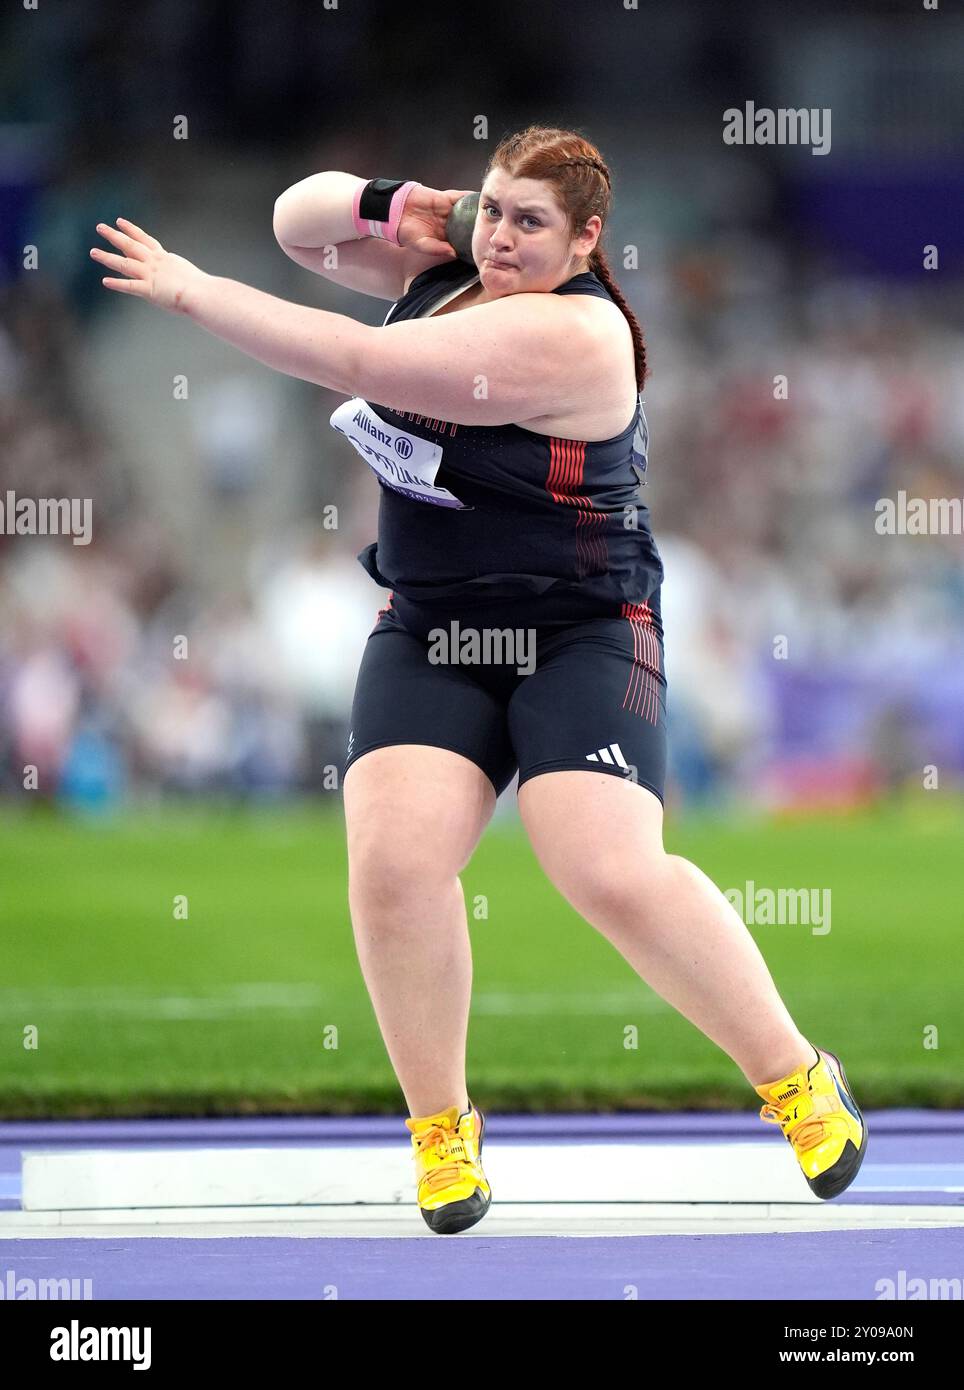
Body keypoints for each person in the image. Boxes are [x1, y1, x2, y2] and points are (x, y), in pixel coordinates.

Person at [92, 124, 867, 1236]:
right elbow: (295, 221)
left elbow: (356, 363)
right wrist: (408, 204)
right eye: (494, 213)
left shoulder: (581, 334)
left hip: (580, 627)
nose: (502, 240)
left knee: (602, 865)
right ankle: (443, 1131)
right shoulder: (456, 263)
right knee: (394, 863)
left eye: (530, 224)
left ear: (588, 242)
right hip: (433, 623)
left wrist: (190, 293)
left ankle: (795, 1076)